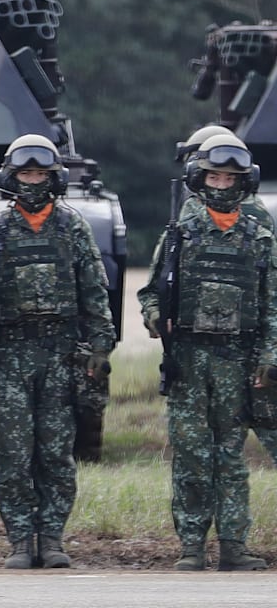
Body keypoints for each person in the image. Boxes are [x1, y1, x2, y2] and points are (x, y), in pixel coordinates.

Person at [0, 134, 114, 569]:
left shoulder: (73, 229)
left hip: (61, 355)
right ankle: (19, 540)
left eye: (40, 174)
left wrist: (100, 349)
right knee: (13, 453)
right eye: (25, 173)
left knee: (55, 452)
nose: (32, 181)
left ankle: (51, 538)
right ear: (11, 177)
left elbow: (94, 295)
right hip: (10, 355)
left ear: (54, 178)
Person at [139, 133, 273, 571]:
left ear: (243, 182)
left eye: (230, 177)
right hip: (190, 361)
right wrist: (157, 318)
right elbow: (150, 291)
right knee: (193, 455)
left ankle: (233, 547)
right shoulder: (180, 235)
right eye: (214, 176)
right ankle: (192, 546)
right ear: (200, 178)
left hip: (237, 362)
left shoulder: (260, 238)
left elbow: (273, 305)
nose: (221, 184)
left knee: (231, 458)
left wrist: (269, 358)